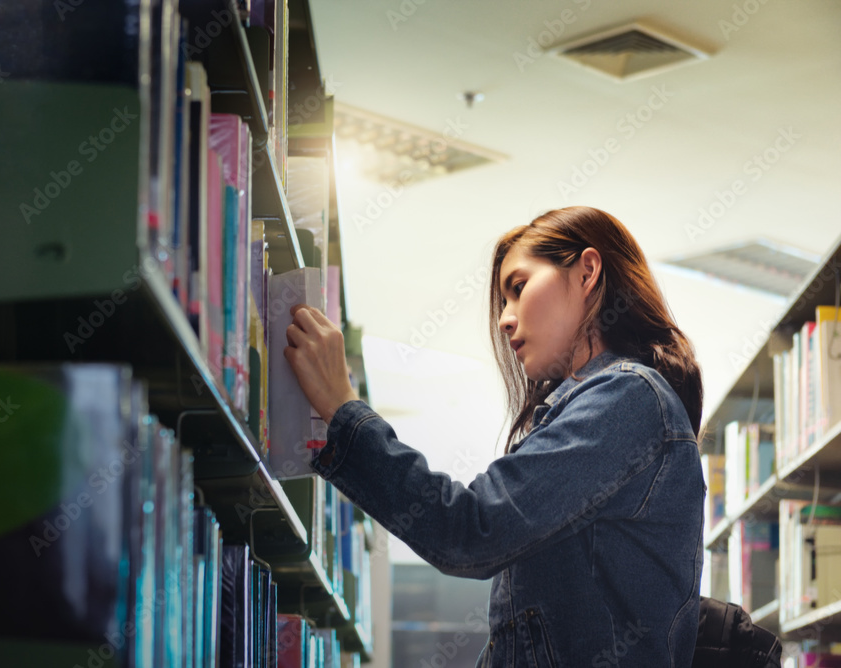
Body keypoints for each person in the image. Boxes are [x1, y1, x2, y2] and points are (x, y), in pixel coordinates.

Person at [283, 205, 706, 667]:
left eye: (518, 288)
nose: (505, 320)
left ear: (587, 272)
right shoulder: (608, 405)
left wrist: (345, 410)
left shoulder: (629, 398)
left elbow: (469, 531)